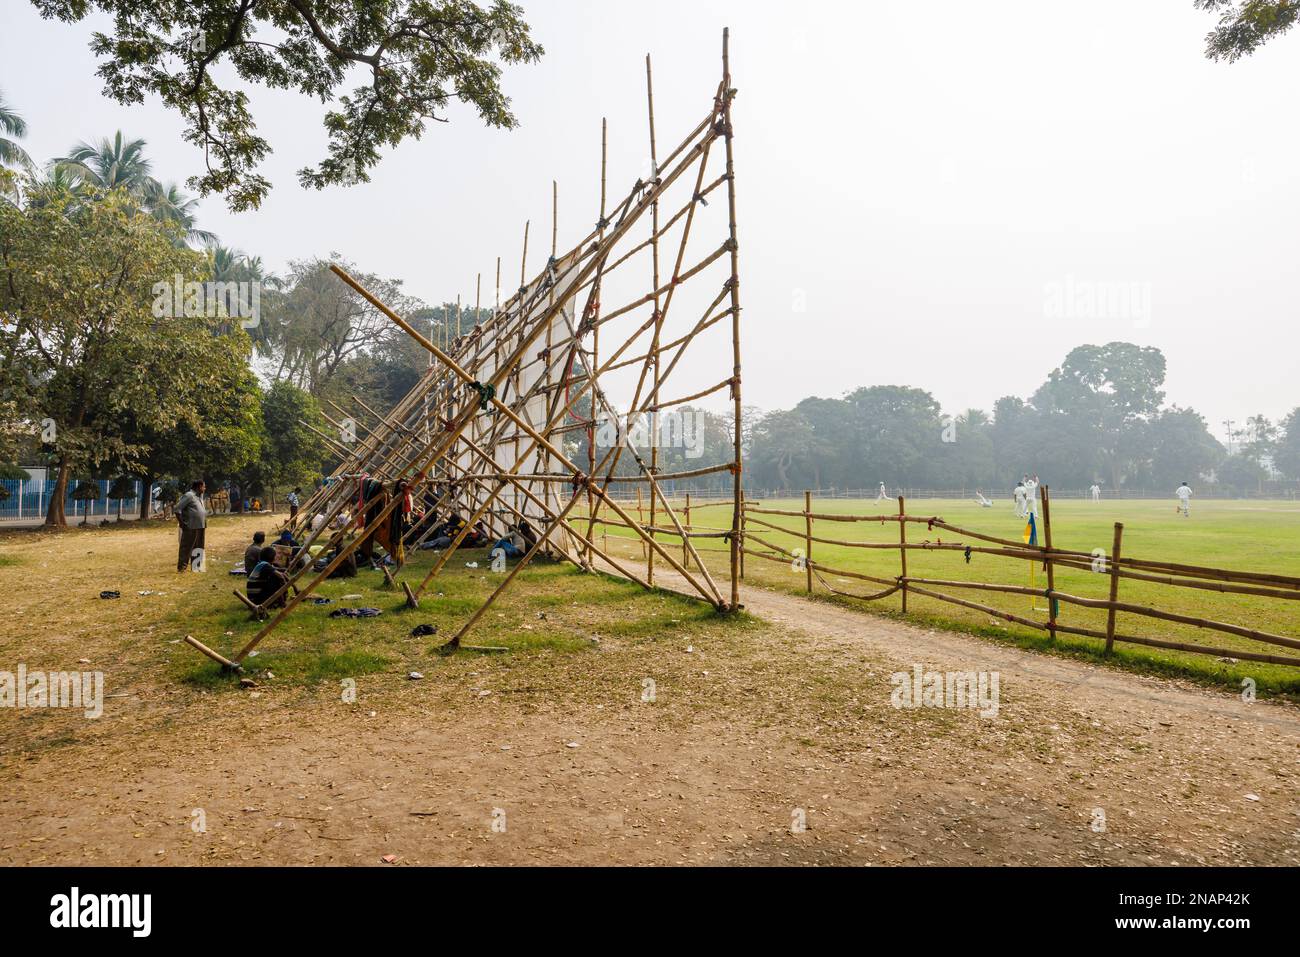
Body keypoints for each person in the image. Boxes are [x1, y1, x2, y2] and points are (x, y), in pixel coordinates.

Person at [176, 480, 208, 572]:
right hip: (190, 526)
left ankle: (196, 566)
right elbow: (177, 509)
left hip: (201, 525)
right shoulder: (189, 495)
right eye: (204, 487)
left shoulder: (199, 497)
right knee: (186, 547)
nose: (205, 489)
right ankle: (182, 567)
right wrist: (182, 523)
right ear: (199, 487)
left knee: (199, 547)